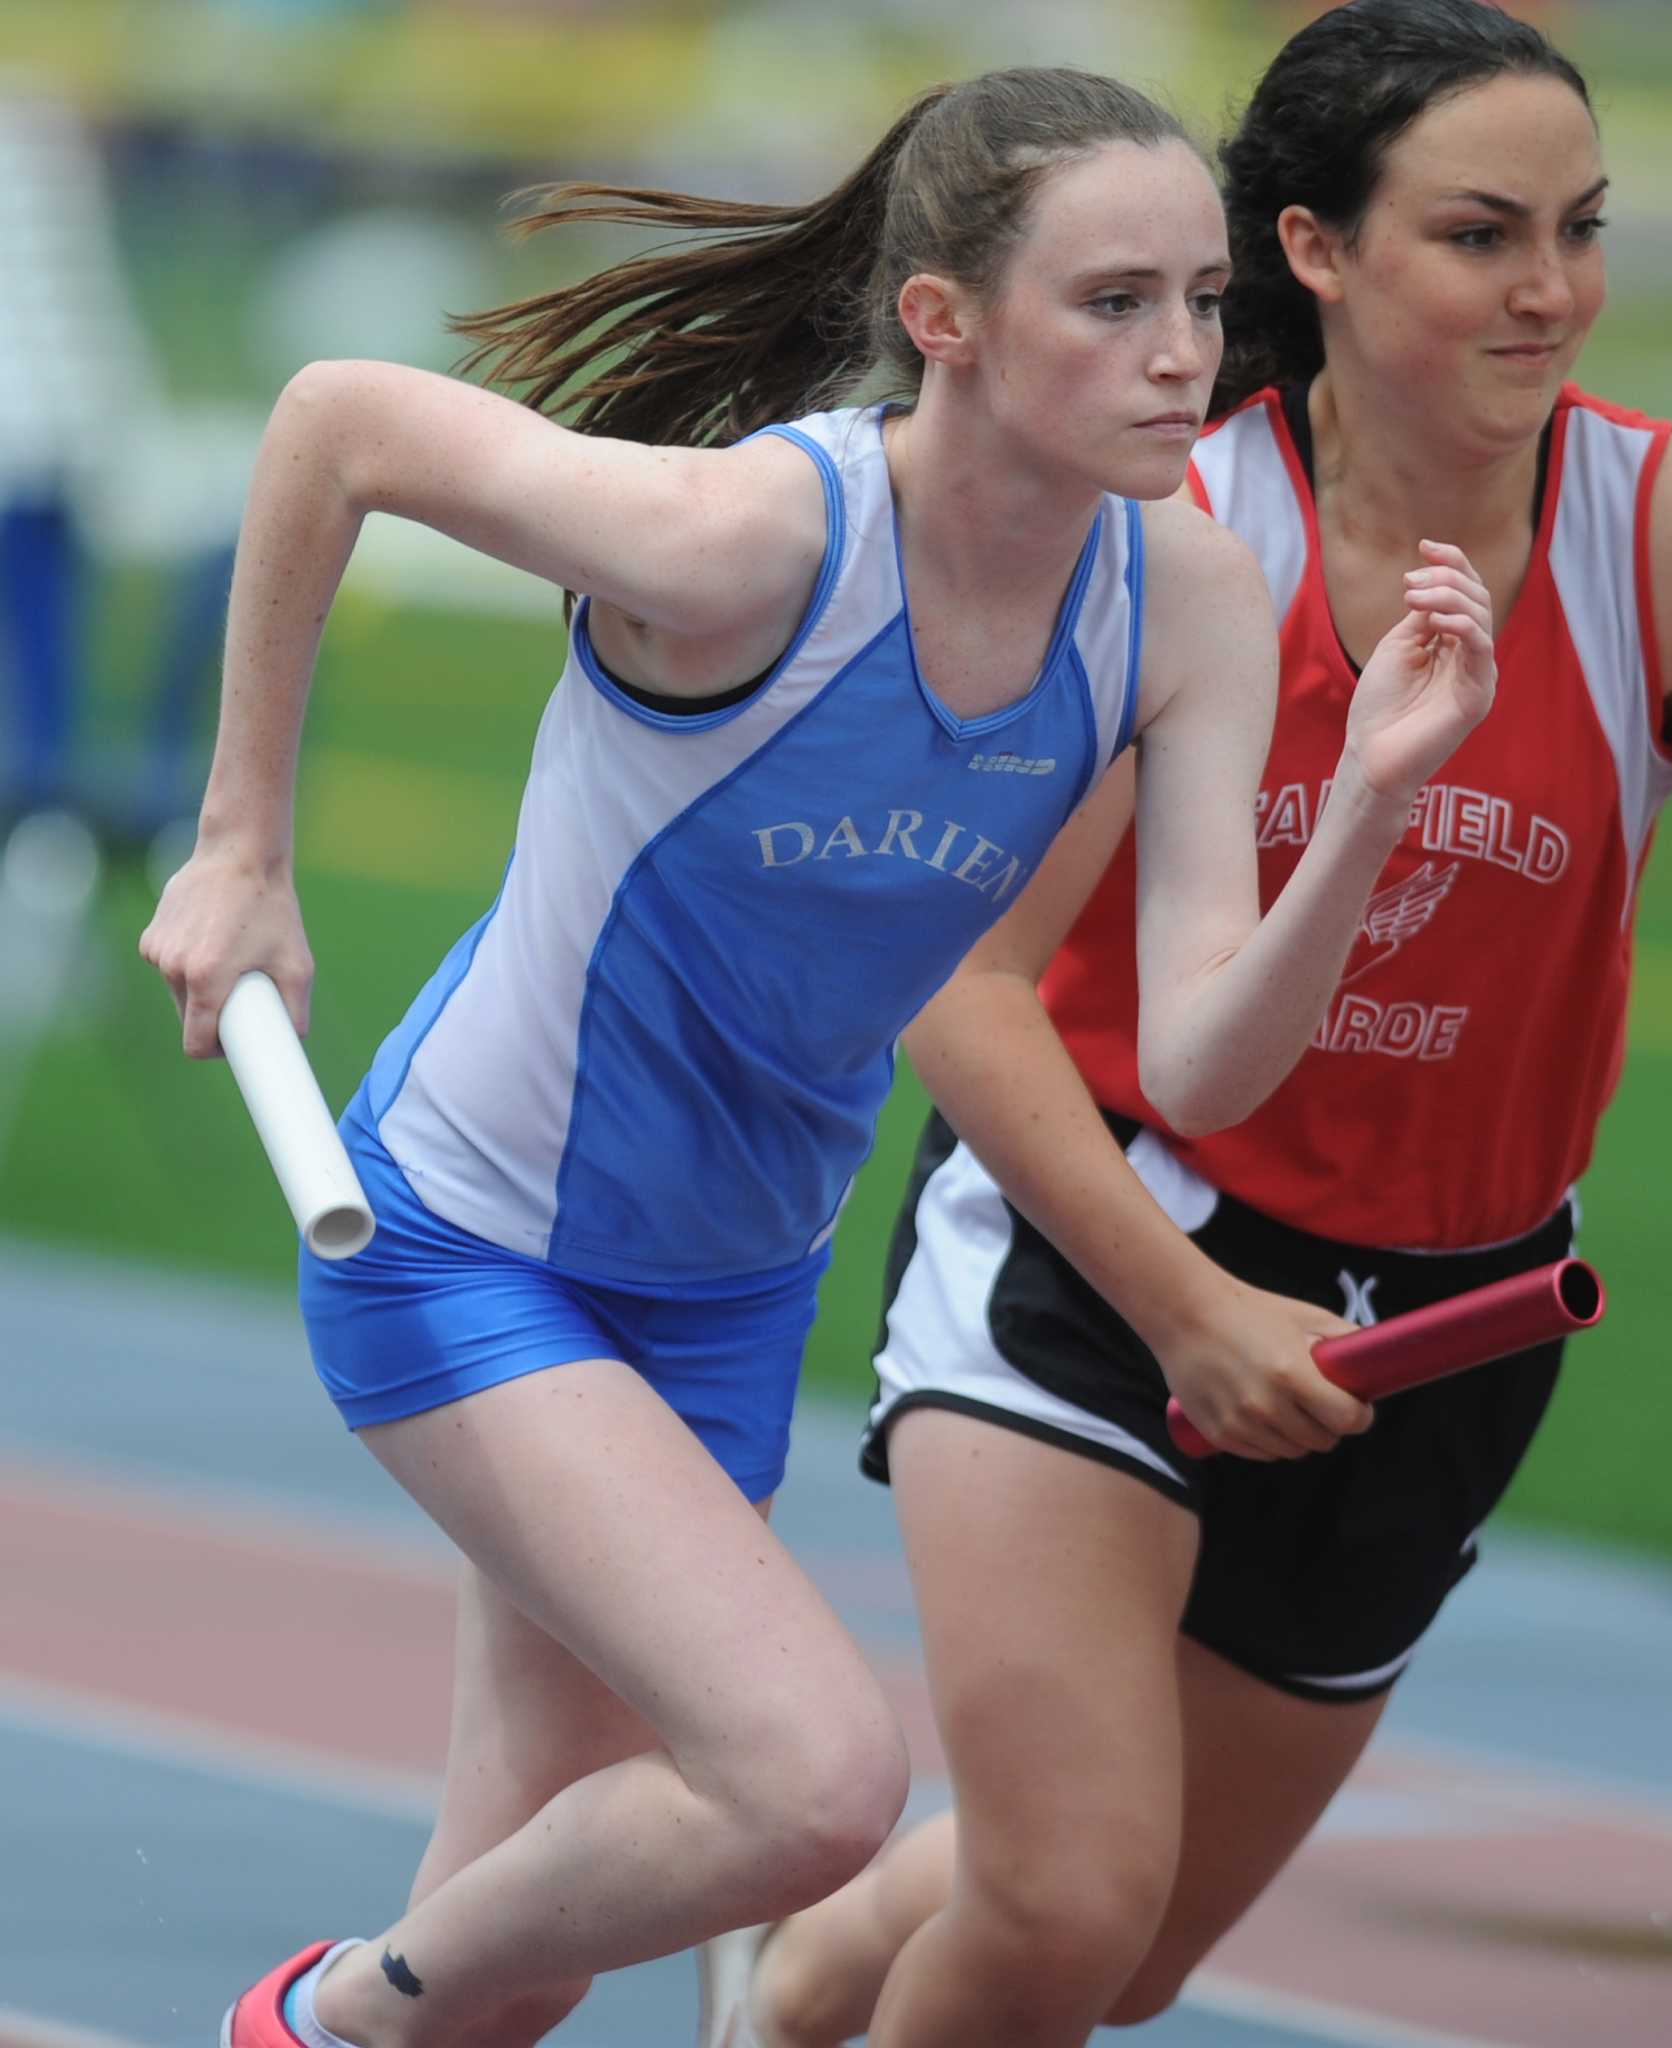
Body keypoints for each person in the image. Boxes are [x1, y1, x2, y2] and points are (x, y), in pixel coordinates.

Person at [139, 62, 1499, 2048]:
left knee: (517, 1972)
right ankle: (317, 2017)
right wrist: (241, 848)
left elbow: (1202, 1066)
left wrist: (1368, 802)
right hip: (469, 1239)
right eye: (1112, 301)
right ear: (943, 319)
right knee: (806, 1782)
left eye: (1202, 301)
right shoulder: (751, 541)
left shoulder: (1184, 601)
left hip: (718, 1298)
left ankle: (384, 2022)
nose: (1180, 356)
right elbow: (336, 422)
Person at [702, 6, 1672, 2046]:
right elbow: (959, 986)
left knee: (1128, 1943)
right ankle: (906, 1932)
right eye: (1479, 235)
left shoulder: (1669, 540)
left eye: (1580, 229)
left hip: (1446, 1322)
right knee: (1066, 1907)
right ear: (1316, 250)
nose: (1549, 289)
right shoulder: (1168, 536)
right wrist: (1182, 1308)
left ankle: (824, 1958)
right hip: (1103, 1255)